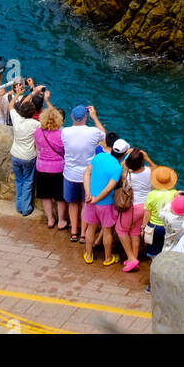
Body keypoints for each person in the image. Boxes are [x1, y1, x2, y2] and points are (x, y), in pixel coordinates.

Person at [61, 103, 106, 242]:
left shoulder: (65, 131)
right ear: (86, 117)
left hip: (70, 174)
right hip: (88, 175)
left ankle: (74, 232)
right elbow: (104, 136)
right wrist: (95, 117)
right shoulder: (93, 132)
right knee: (85, 204)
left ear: (72, 117)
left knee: (73, 203)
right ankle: (83, 234)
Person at [82, 141, 125, 265]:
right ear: (122, 155)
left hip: (90, 201)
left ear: (112, 149)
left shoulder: (99, 156)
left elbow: (87, 173)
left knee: (90, 228)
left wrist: (88, 193)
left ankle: (89, 256)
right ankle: (107, 258)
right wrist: (97, 199)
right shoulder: (117, 167)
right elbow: (108, 188)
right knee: (107, 231)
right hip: (106, 204)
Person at [116, 148, 157, 272]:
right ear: (142, 161)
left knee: (120, 229)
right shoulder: (150, 171)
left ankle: (131, 258)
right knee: (134, 231)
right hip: (145, 207)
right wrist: (148, 158)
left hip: (133, 207)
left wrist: (126, 159)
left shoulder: (128, 176)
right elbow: (157, 169)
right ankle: (134, 259)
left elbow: (120, 168)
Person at [6, 92, 41, 216]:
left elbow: (10, 106)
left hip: (15, 154)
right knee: (27, 181)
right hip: (28, 157)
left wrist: (18, 94)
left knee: (19, 180)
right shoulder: (36, 124)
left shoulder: (16, 119)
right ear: (33, 113)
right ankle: (25, 208)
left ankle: (19, 205)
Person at [34, 106, 67, 229]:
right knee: (60, 197)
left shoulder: (38, 132)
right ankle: (61, 221)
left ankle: (50, 219)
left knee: (46, 196)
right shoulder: (62, 134)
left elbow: (37, 149)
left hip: (41, 168)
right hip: (58, 169)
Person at [141, 165, 179, 258]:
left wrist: (143, 227)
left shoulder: (151, 194)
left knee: (153, 247)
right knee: (165, 246)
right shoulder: (175, 193)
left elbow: (147, 214)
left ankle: (154, 262)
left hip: (154, 226)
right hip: (168, 225)